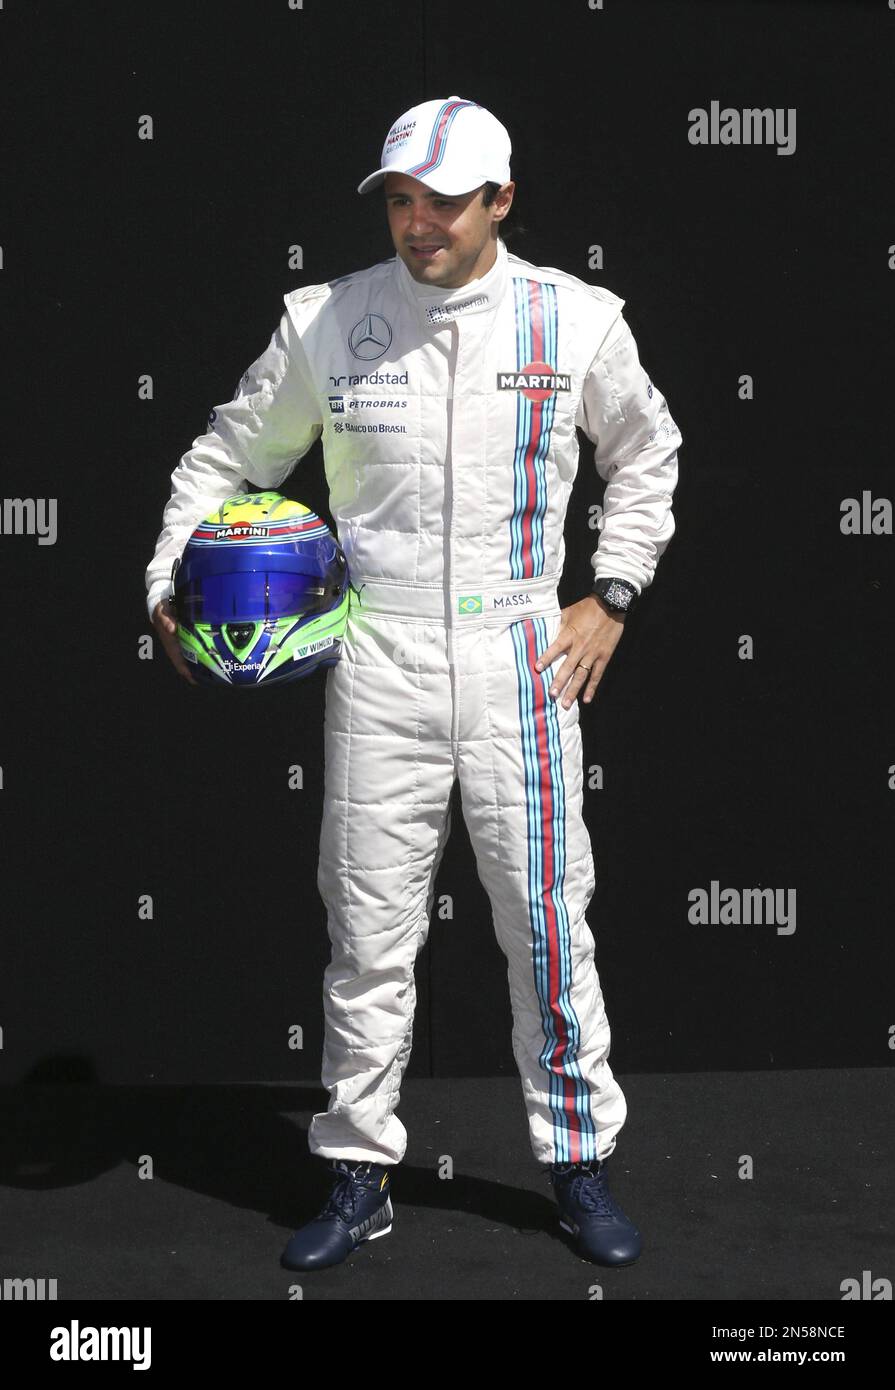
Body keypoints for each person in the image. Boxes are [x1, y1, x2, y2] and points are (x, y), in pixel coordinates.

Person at [146, 95, 682, 1273]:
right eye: (399, 199)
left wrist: (614, 593)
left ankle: (578, 1164)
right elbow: (226, 456)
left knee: (546, 927)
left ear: (501, 199)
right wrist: (166, 584)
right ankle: (355, 1175)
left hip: (523, 662)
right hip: (378, 660)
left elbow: (647, 456)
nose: (418, 223)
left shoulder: (575, 322)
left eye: (444, 200)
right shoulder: (328, 321)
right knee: (369, 932)